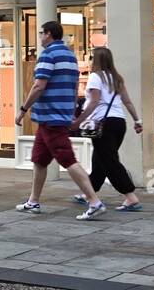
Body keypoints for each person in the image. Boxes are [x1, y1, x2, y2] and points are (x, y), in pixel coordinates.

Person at [15, 20, 108, 220]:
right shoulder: (69, 56)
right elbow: (75, 87)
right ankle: (33, 201)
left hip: (51, 115)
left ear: (48, 34)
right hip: (59, 114)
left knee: (67, 159)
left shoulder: (47, 55)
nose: (40, 37)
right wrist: (71, 111)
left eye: (41, 33)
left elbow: (39, 86)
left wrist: (23, 109)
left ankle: (94, 201)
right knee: (39, 159)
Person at [74, 46, 145, 211]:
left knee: (110, 161)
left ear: (95, 60)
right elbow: (127, 101)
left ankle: (130, 197)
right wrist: (137, 120)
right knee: (100, 159)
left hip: (102, 124)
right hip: (119, 123)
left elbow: (93, 102)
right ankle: (88, 193)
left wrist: (78, 121)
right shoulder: (116, 78)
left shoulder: (95, 77)